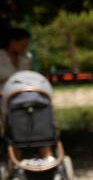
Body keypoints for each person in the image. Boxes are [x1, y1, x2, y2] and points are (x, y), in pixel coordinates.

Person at [0, 27, 55, 166]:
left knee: (40, 113)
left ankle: (46, 153)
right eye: (23, 44)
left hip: (26, 96)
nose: (25, 47)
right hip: (5, 99)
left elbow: (30, 77)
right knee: (11, 123)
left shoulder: (27, 57)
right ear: (12, 42)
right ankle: (15, 157)